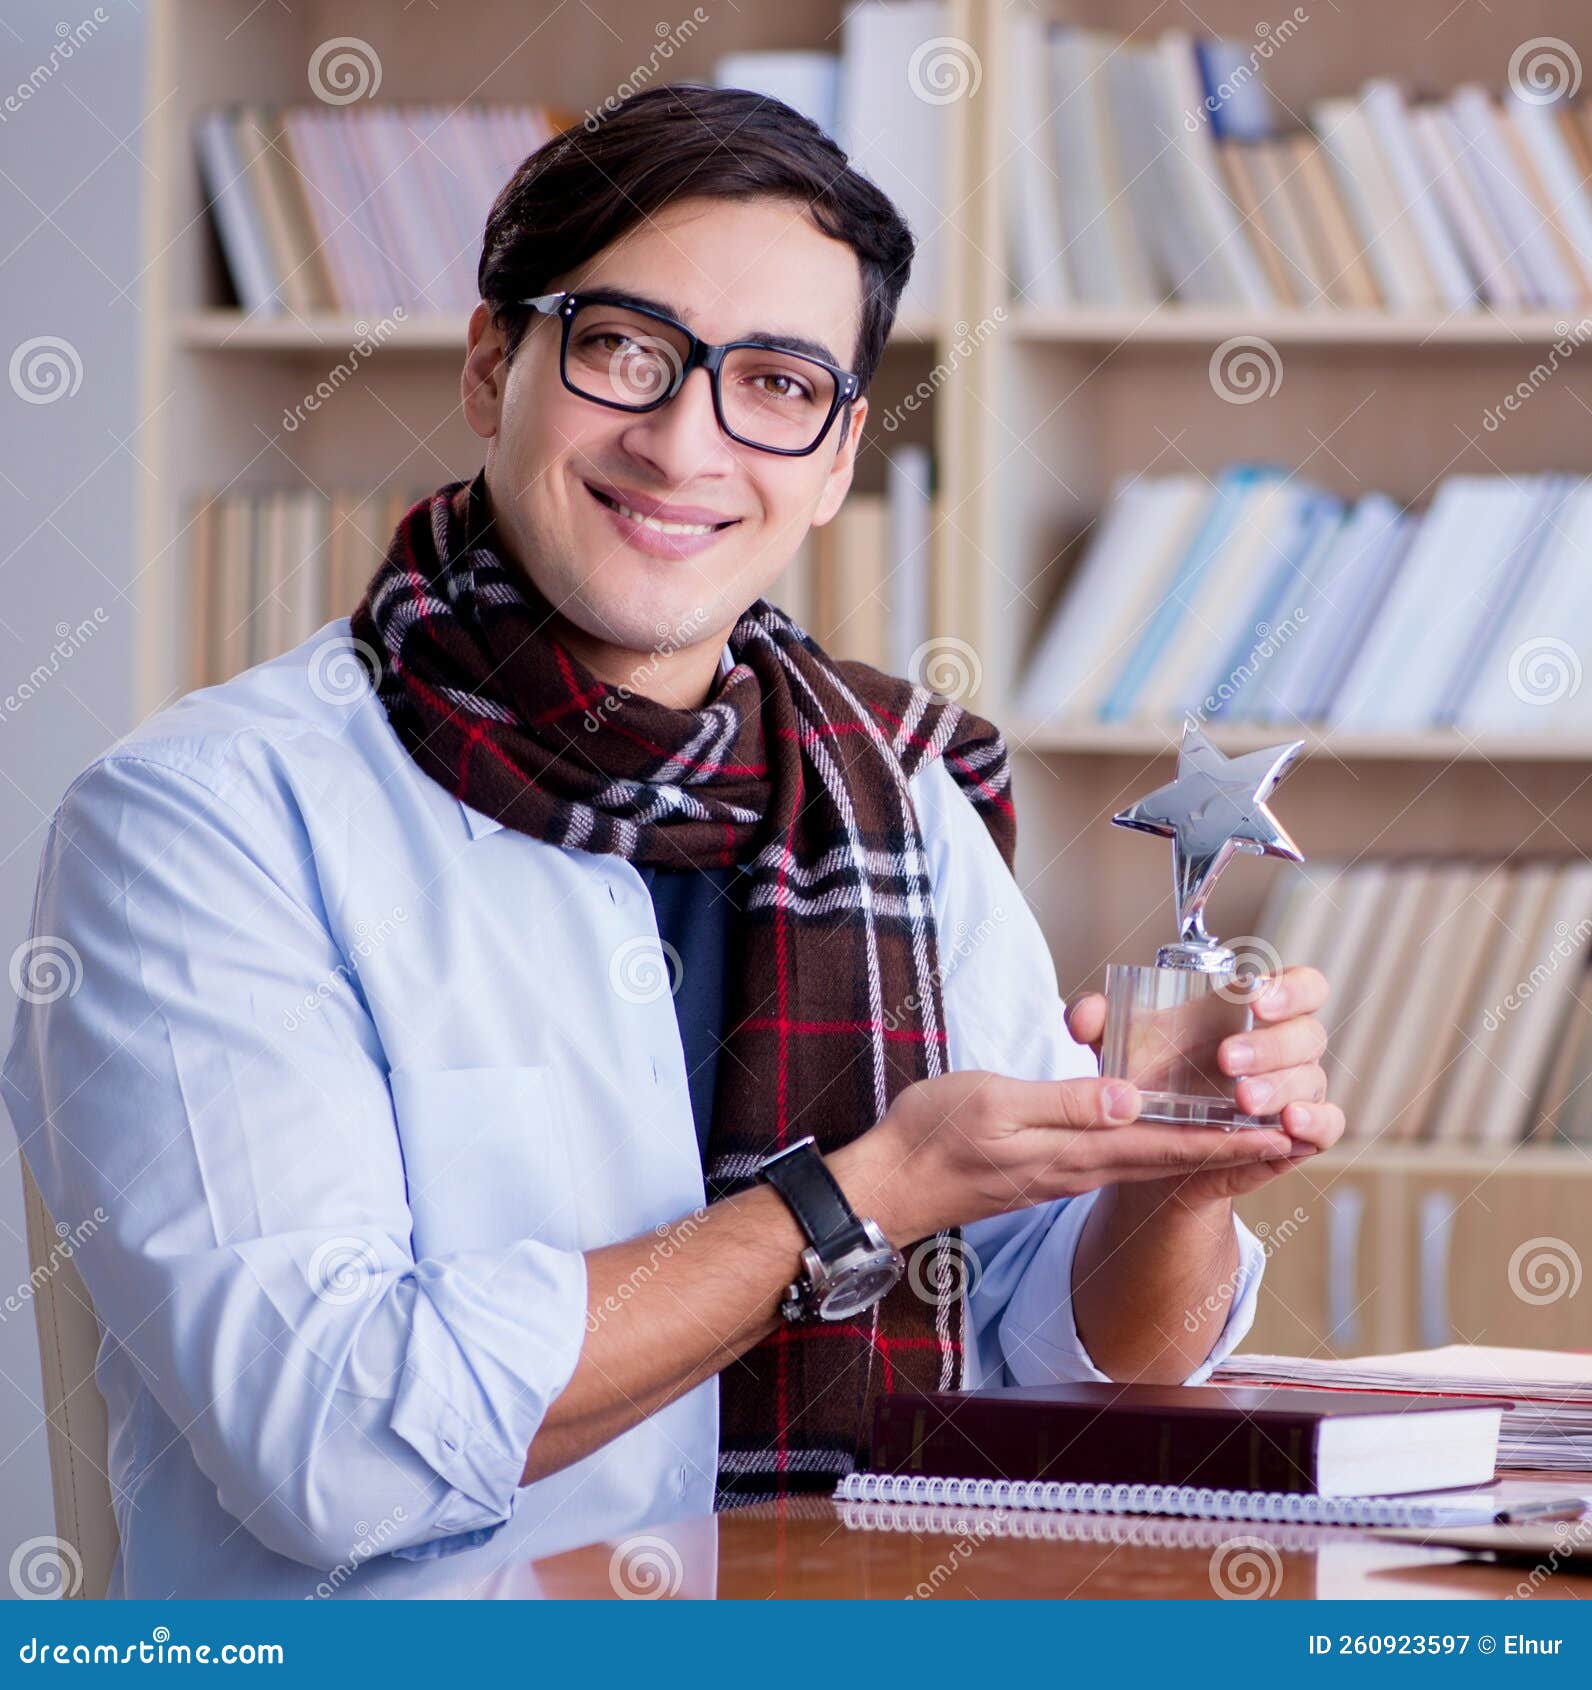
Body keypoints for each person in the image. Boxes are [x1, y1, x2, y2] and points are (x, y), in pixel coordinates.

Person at [2, 84, 1340, 1598]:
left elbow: (1063, 1379)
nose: (685, 440)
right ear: (493, 362)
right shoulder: (200, 821)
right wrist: (858, 1197)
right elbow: (333, 1443)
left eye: (775, 384)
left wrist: (1166, 1181)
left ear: (835, 459)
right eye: (625, 349)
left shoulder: (904, 803)